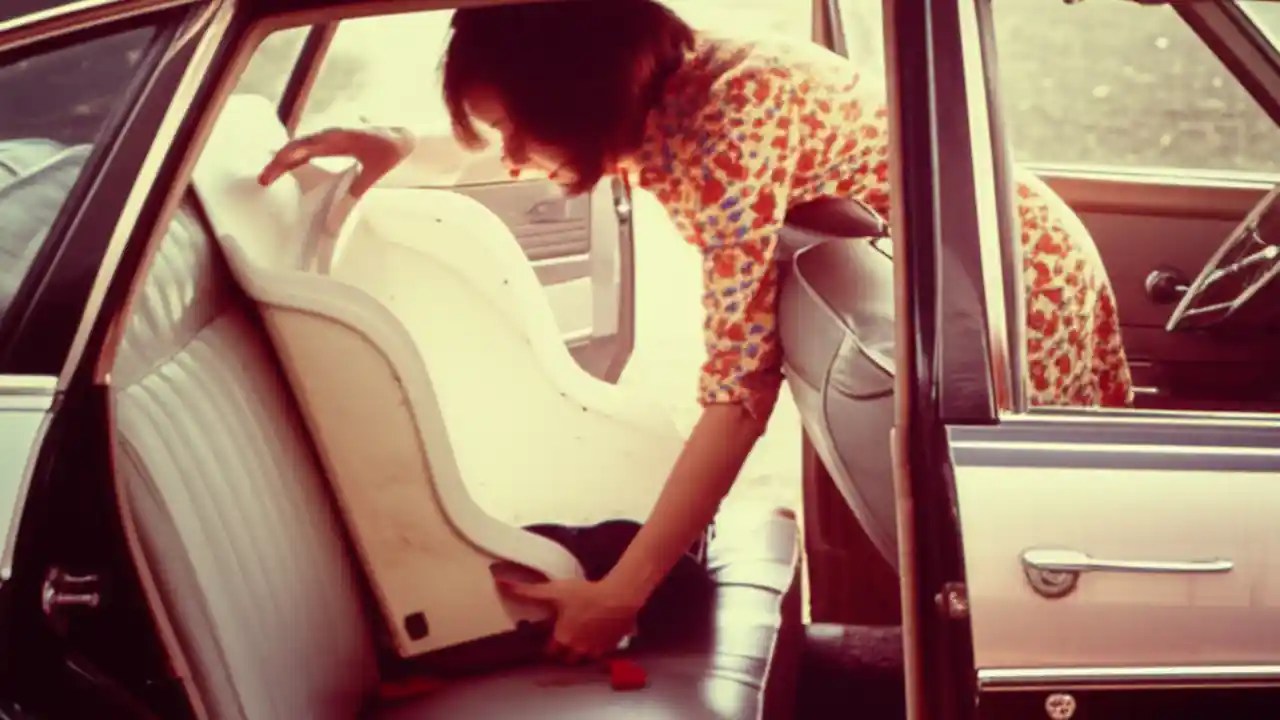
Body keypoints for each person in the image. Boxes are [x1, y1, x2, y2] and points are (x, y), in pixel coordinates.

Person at [258, 0, 1134, 662]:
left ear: (581, 98)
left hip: (1009, 281)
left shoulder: (724, 130)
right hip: (982, 252)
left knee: (1044, 554)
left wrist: (620, 595)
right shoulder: (661, 82)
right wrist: (400, 143)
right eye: (497, 130)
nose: (509, 153)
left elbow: (739, 393)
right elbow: (552, 136)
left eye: (516, 127)